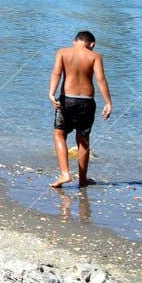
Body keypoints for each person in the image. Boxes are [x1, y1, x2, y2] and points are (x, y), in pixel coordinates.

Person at [48, 30, 112, 188]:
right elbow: (100, 79)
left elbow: (56, 73)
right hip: (87, 102)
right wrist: (108, 102)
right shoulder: (95, 56)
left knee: (59, 134)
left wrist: (51, 93)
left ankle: (65, 173)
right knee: (83, 140)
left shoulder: (62, 52)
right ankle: (82, 180)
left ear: (74, 41)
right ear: (92, 44)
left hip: (66, 100)